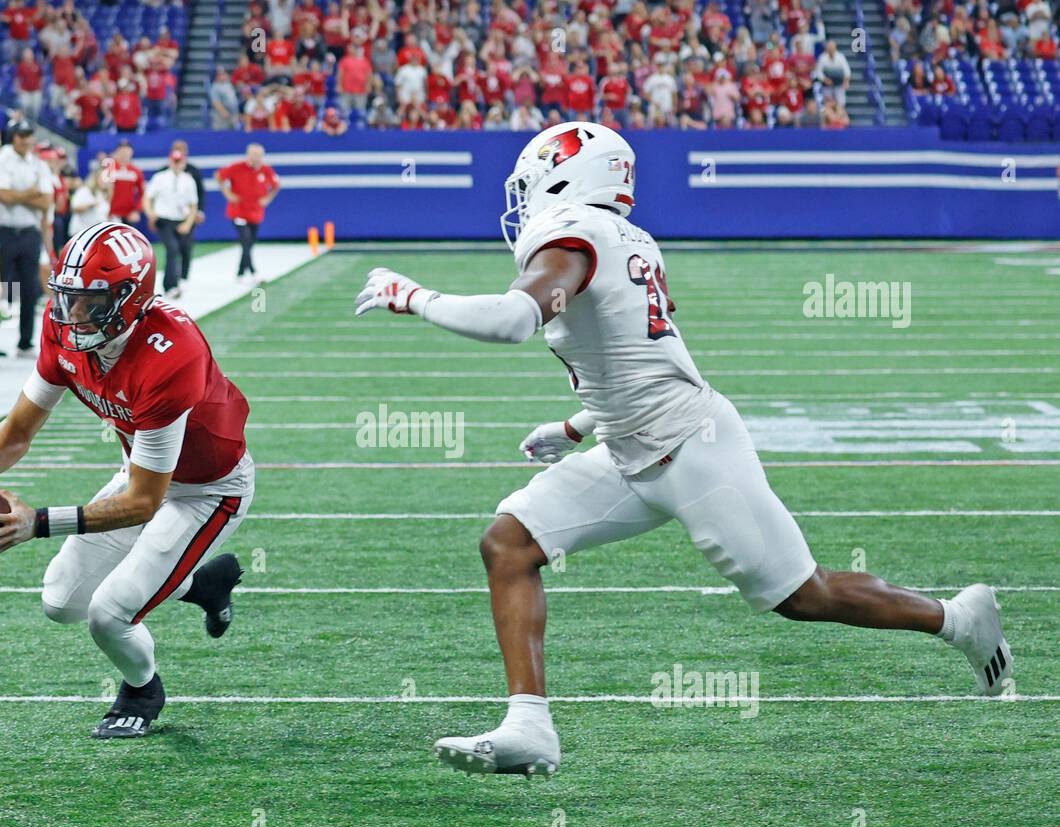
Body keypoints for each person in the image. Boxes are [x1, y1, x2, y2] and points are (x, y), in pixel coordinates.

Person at [355, 122, 1014, 777]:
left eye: (530, 185)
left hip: (691, 448)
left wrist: (412, 297)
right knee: (510, 543)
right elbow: (637, 357)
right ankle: (531, 726)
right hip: (628, 447)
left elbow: (511, 321)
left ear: (566, 177)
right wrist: (578, 427)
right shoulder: (622, 238)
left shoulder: (575, 240)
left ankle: (958, 619)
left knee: (804, 596)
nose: (524, 202)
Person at [0, 222, 253, 740]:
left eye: (89, 301)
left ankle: (142, 688)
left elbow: (146, 502)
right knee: (61, 600)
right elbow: (19, 427)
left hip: (208, 490)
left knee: (109, 614)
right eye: (67, 297)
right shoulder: (65, 331)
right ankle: (201, 584)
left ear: (129, 298)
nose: (72, 313)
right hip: (141, 471)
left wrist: (37, 523)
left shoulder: (172, 352)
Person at [0, 118, 54, 358]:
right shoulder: (1, 160)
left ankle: (25, 342)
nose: (25, 140)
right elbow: (3, 196)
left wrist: (19, 195)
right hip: (4, 230)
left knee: (30, 288)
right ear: (13, 137)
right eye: (21, 135)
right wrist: (31, 193)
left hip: (29, 232)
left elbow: (47, 200)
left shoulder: (38, 164)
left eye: (28, 135)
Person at [143, 140, 204, 297]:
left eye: (179, 161)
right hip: (164, 220)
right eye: (174, 161)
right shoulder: (160, 177)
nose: (177, 164)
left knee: (184, 249)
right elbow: (147, 197)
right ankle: (170, 286)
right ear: (170, 161)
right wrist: (151, 213)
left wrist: (188, 223)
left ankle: (180, 279)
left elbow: (193, 205)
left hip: (181, 219)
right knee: (172, 249)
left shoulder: (189, 179)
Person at [216, 144, 279, 285]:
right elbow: (219, 176)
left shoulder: (266, 170)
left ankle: (241, 273)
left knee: (249, 243)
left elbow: (276, 185)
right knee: (245, 241)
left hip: (256, 212)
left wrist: (268, 198)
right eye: (253, 155)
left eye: (258, 155)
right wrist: (227, 193)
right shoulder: (237, 167)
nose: (256, 158)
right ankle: (253, 272)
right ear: (248, 155)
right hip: (238, 212)